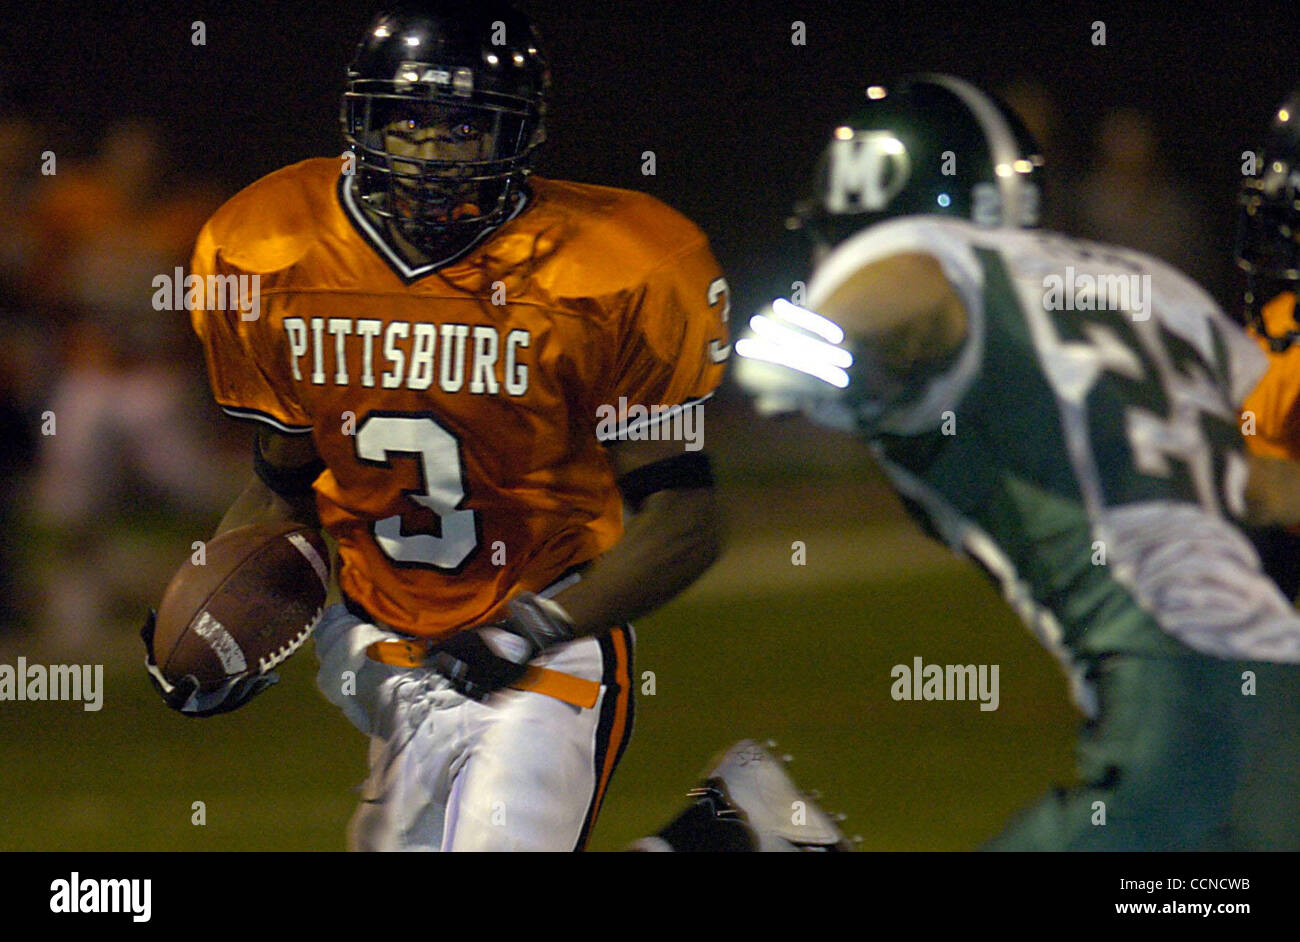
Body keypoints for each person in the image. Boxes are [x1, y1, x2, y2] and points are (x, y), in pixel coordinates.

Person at [143, 1, 730, 852]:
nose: (431, 153)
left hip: (545, 638)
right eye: (409, 124)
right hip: (376, 643)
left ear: (519, 136)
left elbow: (684, 520)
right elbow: (279, 490)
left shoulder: (611, 269)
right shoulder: (272, 245)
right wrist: (216, 637)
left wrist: (534, 628)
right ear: (361, 122)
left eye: (463, 129)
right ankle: (731, 841)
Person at [732, 73, 1300, 850]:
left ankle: (759, 840)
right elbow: (1268, 484)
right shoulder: (1154, 286)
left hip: (1180, 710)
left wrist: (817, 343)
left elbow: (910, 282)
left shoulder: (927, 257)